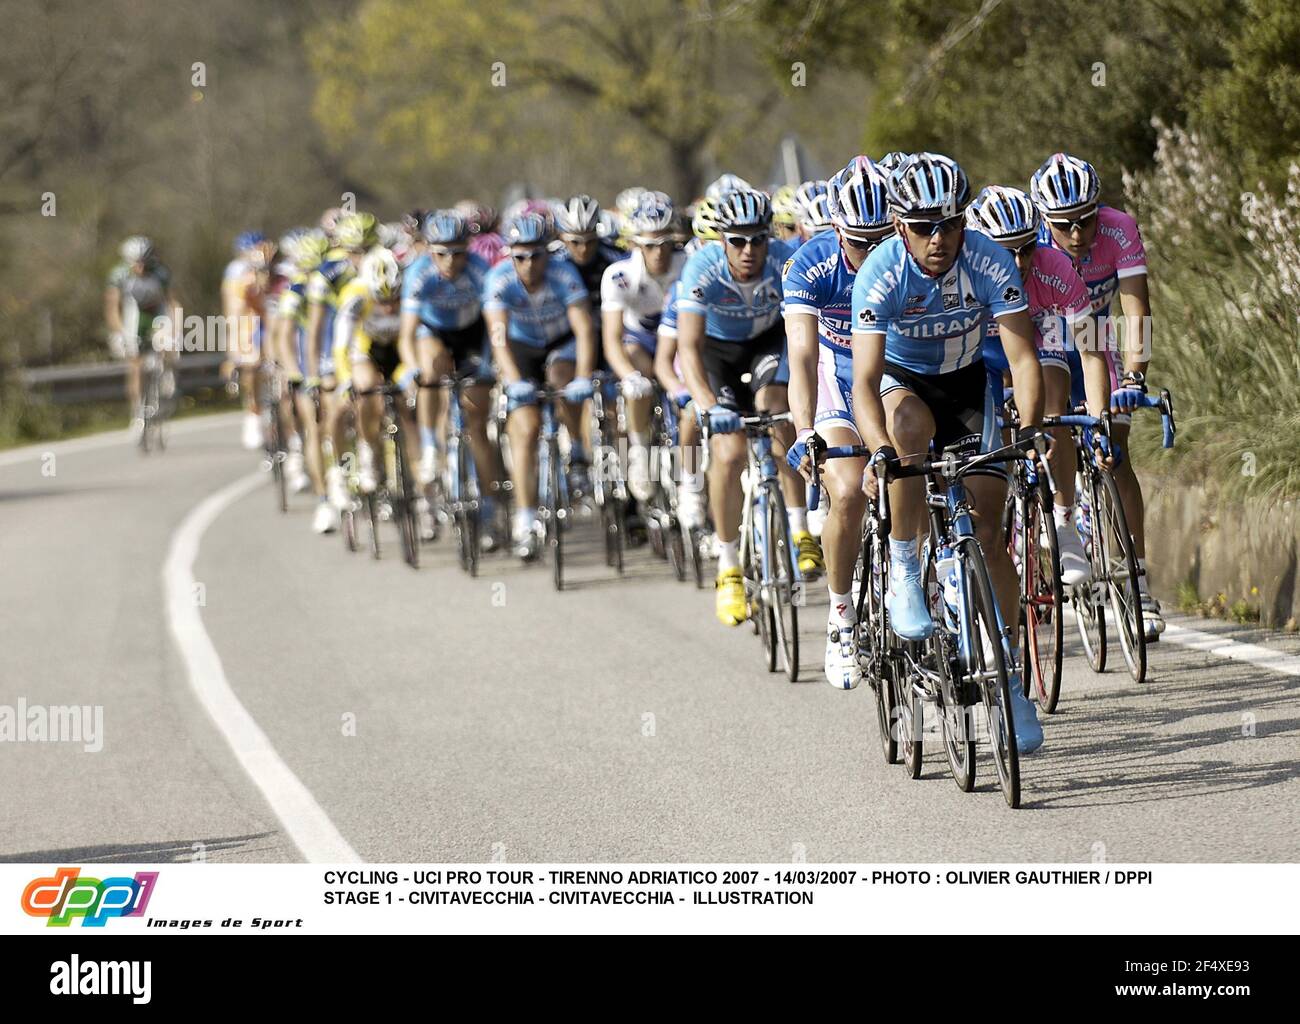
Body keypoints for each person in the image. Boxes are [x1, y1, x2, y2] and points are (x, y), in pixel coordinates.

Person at [849, 152, 1045, 754]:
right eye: (924, 227)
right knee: (907, 428)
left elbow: (1023, 361)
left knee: (988, 535)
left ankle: (1008, 675)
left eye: (951, 224)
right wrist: (879, 449)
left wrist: (1030, 434)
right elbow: (862, 383)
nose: (940, 239)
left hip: (967, 387)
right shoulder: (880, 273)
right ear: (900, 227)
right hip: (903, 384)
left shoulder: (987, 259)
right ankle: (906, 567)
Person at [675, 187, 824, 627]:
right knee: (729, 451)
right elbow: (688, 347)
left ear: (769, 237)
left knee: (777, 410)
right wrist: (705, 404)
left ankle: (799, 529)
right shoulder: (701, 268)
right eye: (737, 240)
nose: (748, 250)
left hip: (766, 345)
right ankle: (728, 568)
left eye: (757, 239)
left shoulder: (785, 259)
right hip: (717, 355)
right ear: (721, 241)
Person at [1030, 152, 1164, 640]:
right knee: (1054, 413)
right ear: (1045, 219)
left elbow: (1136, 309)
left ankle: (1138, 583)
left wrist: (1133, 378)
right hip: (1045, 329)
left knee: (1117, 448)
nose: (1077, 233)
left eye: (1085, 220)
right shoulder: (1035, 242)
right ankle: (1063, 519)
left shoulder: (1120, 228)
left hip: (1098, 333)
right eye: (1063, 224)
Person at [783, 157, 896, 688]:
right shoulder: (811, 264)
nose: (871, 253)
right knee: (849, 489)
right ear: (837, 231)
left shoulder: (911, 259)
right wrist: (806, 433)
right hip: (836, 377)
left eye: (882, 238)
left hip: (895, 374)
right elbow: (803, 358)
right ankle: (841, 615)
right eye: (858, 242)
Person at [966, 185, 1108, 586]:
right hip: (980, 349)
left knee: (1052, 407)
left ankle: (1064, 525)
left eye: (1026, 248)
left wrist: (1099, 421)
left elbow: (1092, 351)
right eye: (1004, 250)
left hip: (1038, 332)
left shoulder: (1055, 268)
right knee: (984, 434)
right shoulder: (962, 275)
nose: (1017, 261)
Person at [482, 212, 598, 560]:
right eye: (521, 256)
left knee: (565, 376)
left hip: (560, 344)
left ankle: (577, 449)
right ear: (510, 255)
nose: (530, 264)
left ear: (548, 254)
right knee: (526, 429)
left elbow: (584, 329)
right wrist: (514, 381)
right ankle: (525, 516)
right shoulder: (498, 280)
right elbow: (498, 339)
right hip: (520, 348)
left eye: (537, 255)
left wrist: (584, 376)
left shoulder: (564, 274)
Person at [400, 210, 502, 549]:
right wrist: (414, 369)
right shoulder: (418, 272)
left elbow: (494, 326)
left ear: (467, 250)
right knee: (430, 368)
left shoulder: (480, 271)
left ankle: (488, 510)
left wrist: (491, 364)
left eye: (458, 252)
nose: (450, 261)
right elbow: (407, 334)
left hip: (473, 337)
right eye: (441, 253)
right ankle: (430, 445)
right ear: (430, 251)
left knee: (476, 424)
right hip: (435, 333)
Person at [600, 193, 687, 503]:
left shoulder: (688, 263)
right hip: (640, 340)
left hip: (677, 340)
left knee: (685, 392)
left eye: (666, 244)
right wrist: (628, 376)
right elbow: (612, 340)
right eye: (650, 246)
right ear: (637, 244)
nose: (659, 253)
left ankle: (689, 471)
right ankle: (638, 450)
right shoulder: (619, 276)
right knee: (640, 379)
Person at [334, 248, 422, 493]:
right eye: (382, 301)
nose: (389, 308)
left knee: (408, 408)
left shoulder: (412, 291)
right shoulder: (355, 295)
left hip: (398, 352)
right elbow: (341, 345)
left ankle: (424, 483)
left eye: (395, 299)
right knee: (366, 388)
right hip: (367, 351)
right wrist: (345, 379)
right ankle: (368, 452)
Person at [104, 236, 179, 439]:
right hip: (134, 317)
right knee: (135, 364)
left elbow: (172, 303)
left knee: (166, 343)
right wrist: (119, 332)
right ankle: (137, 409)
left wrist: (175, 329)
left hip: (158, 314)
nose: (140, 267)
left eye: (144, 262)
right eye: (136, 262)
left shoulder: (160, 273)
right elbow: (113, 308)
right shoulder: (119, 275)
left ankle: (167, 376)